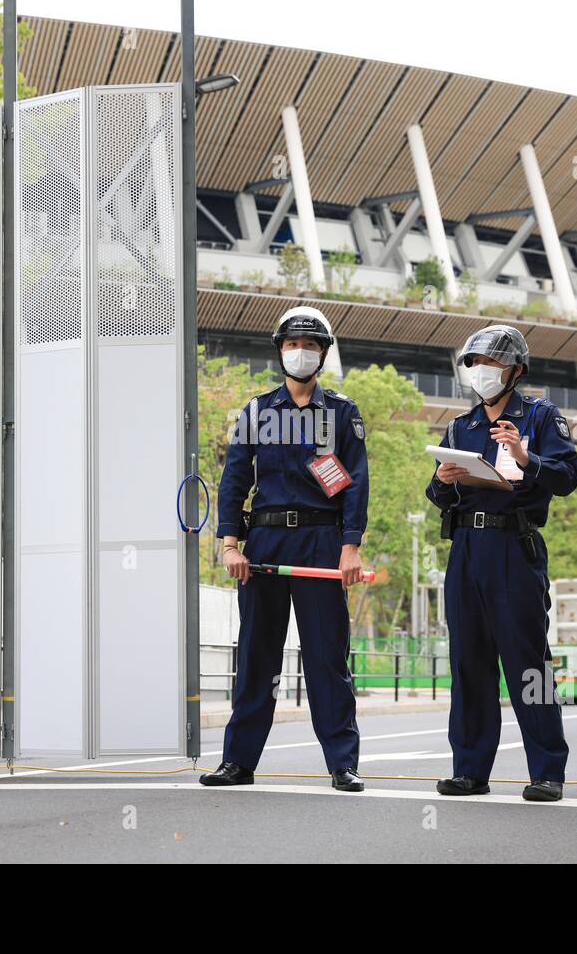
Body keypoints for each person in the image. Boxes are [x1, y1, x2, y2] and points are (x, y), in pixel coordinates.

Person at [201, 305, 369, 792]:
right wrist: (230, 545)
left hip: (320, 542)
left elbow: (355, 482)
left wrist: (351, 546)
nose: (301, 353)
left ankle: (342, 763)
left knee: (326, 657)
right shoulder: (255, 411)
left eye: (311, 345)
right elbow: (234, 480)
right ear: (280, 351)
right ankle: (238, 762)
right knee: (256, 655)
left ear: (323, 354)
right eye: (293, 344)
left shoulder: (342, 412)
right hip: (266, 542)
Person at [425, 325, 577, 801]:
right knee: (469, 663)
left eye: (490, 364)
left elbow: (568, 476)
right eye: (474, 365)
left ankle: (547, 771)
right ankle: (470, 770)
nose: (480, 373)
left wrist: (526, 456)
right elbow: (437, 496)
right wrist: (444, 480)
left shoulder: (539, 416)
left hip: (515, 548)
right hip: (467, 550)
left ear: (514, 370)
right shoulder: (461, 425)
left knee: (528, 663)